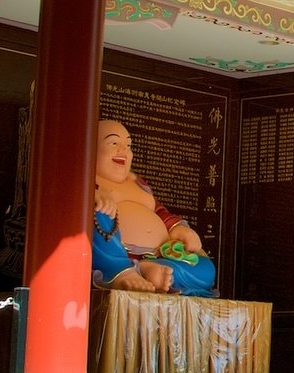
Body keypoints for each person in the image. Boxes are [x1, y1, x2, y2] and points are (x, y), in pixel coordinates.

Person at [91, 118, 216, 295]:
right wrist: (92, 196)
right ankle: (122, 271)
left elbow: (160, 212)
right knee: (97, 213)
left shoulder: (138, 184)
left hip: (159, 255)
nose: (123, 151)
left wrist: (178, 227)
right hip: (120, 252)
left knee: (206, 269)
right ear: (90, 147)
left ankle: (147, 270)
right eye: (114, 142)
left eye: (128, 145)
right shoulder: (87, 181)